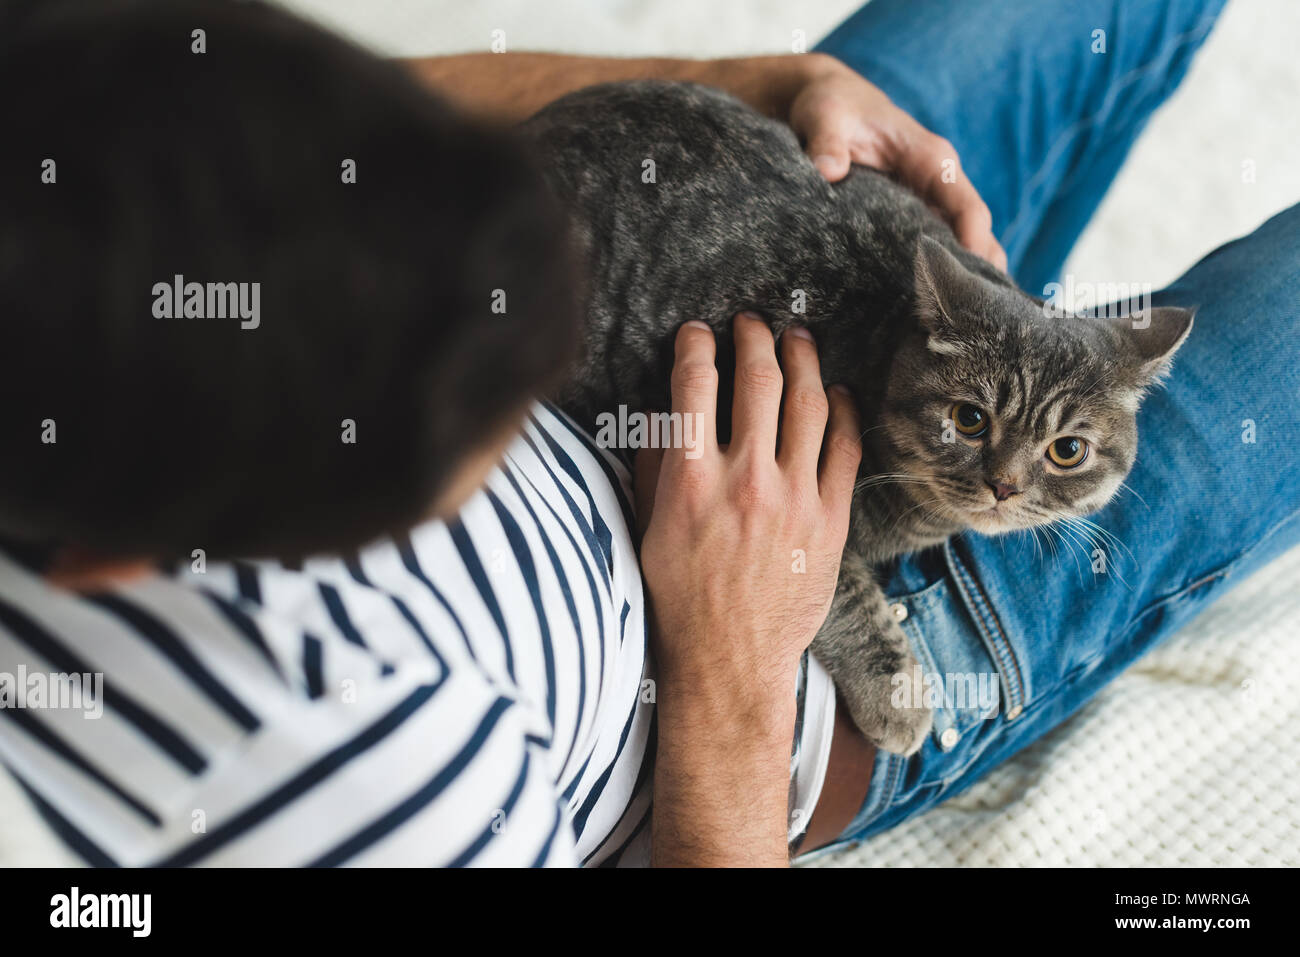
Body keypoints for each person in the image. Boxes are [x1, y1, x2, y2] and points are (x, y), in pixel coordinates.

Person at [0, 0, 1294, 867]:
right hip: (807, 619)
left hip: (755, 219)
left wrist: (757, 89)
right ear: (126, 557)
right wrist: (737, 657)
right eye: (451, 431)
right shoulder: (349, 783)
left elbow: (364, 108)